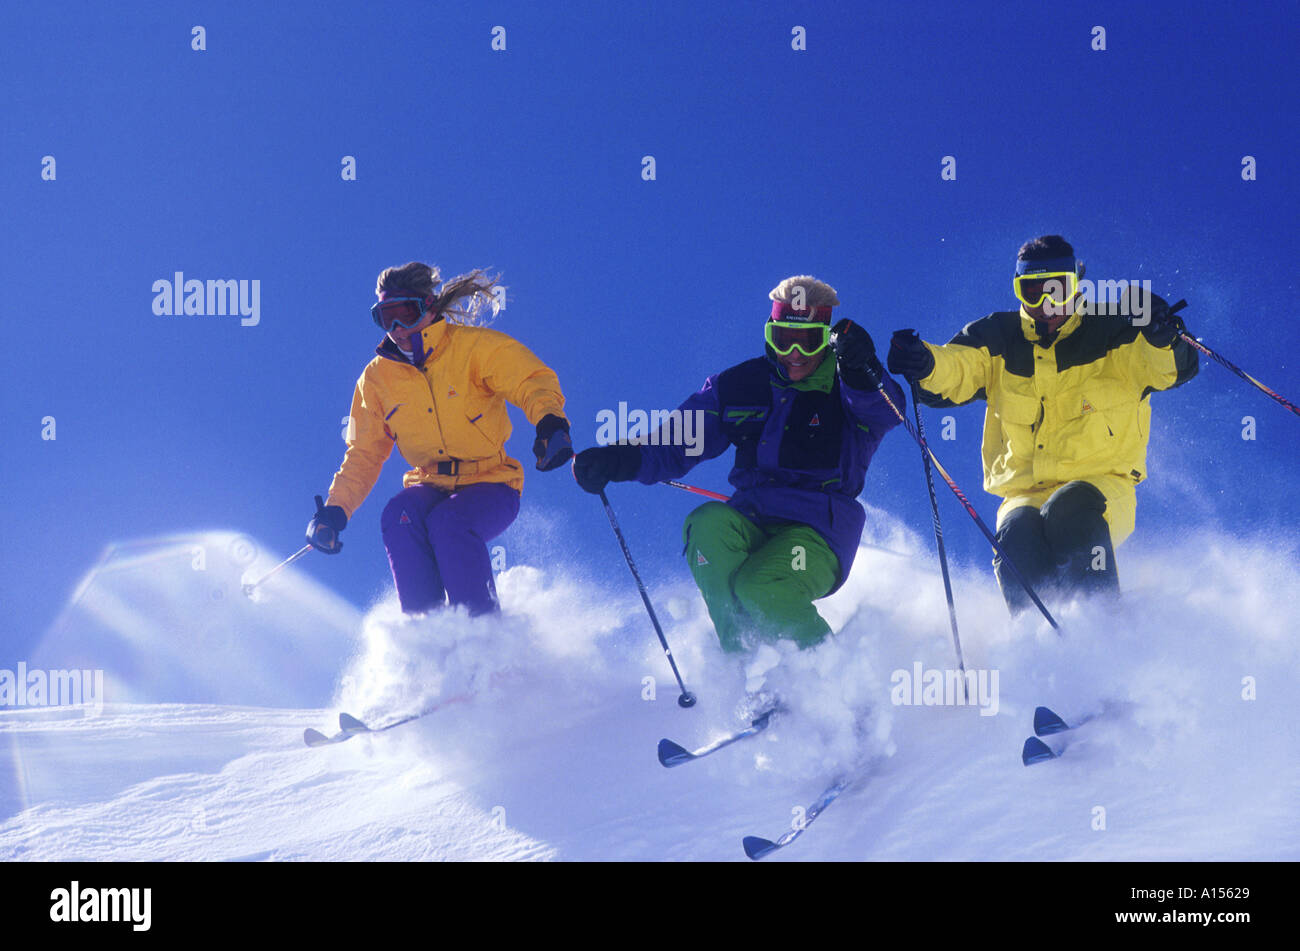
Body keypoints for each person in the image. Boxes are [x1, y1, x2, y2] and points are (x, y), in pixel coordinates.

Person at [573, 275, 905, 654]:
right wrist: (617, 459)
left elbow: (886, 411)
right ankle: (749, 672)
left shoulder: (846, 385)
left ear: (826, 337)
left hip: (816, 531)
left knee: (760, 587)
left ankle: (833, 686)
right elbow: (678, 442)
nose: (794, 352)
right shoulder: (739, 386)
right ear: (769, 333)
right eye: (783, 338)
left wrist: (865, 371)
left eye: (808, 339)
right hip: (753, 518)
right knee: (708, 526)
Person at [886, 235, 1198, 614]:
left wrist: (1163, 336)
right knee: (1016, 537)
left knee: (1070, 509)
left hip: (1101, 487)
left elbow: (1170, 369)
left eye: (1058, 289)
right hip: (1024, 493)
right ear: (1018, 292)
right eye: (1033, 292)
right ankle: (1038, 647)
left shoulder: (1114, 331)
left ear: (1076, 283)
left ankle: (1104, 627)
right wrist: (925, 363)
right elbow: (957, 368)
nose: (1047, 305)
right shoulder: (997, 337)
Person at [306, 261, 573, 615]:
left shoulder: (473, 349)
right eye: (386, 318)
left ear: (429, 306)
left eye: (405, 313)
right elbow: (365, 452)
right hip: (429, 482)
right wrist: (336, 509)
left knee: (450, 523)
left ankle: (482, 636)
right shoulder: (376, 380)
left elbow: (530, 380)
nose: (397, 329)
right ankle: (428, 638)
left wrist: (550, 423)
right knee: (399, 515)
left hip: (492, 481)